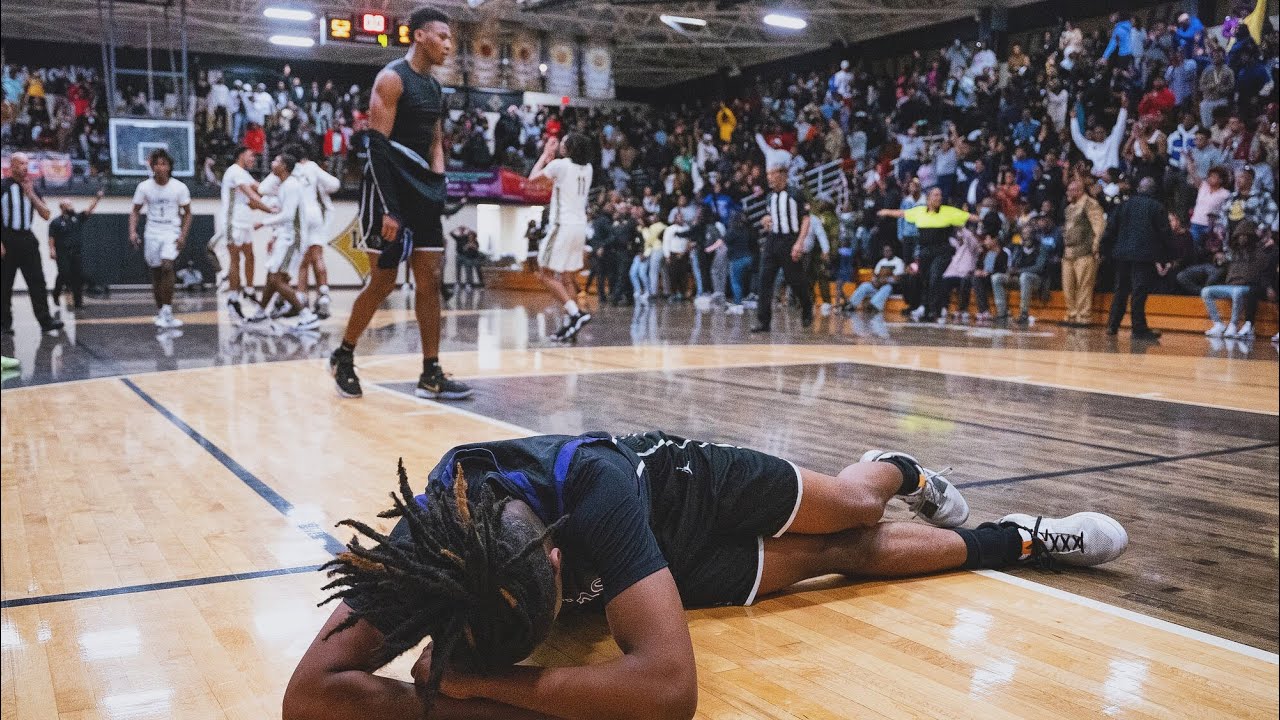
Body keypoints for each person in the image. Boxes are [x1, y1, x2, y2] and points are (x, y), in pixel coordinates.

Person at [283, 431, 1128, 720]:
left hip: (681, 485)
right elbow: (308, 697)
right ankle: (1019, 539)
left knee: (852, 512)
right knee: (840, 563)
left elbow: (666, 692)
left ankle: (892, 466)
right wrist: (473, 689)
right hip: (649, 569)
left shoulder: (593, 487)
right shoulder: (422, 547)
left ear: (553, 554)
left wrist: (482, 684)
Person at [328, 8, 472, 401]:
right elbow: (376, 147)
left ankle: (431, 372)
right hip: (387, 192)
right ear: (420, 36)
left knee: (429, 279)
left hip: (423, 194)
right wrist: (391, 208)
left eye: (450, 38)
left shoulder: (435, 88)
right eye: (442, 36)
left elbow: (435, 141)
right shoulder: (392, 79)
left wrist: (438, 184)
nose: (448, 44)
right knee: (384, 281)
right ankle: (344, 355)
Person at [876, 188, 979, 323]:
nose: (939, 197)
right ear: (929, 198)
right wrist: (886, 212)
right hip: (925, 251)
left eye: (940, 195)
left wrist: (982, 217)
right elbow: (901, 213)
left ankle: (934, 309)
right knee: (925, 279)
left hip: (942, 251)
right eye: (936, 195)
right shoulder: (919, 211)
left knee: (935, 276)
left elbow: (969, 217)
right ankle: (925, 307)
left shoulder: (948, 211)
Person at [530, 133, 594, 341]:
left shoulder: (561, 165)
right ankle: (570, 327)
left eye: (564, 142)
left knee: (544, 272)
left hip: (562, 225)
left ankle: (575, 314)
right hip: (579, 226)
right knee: (567, 277)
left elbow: (533, 180)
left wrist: (544, 155)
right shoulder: (588, 168)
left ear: (569, 148)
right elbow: (556, 184)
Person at [251, 153, 319, 331]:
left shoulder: (291, 186)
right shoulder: (284, 186)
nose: (272, 163)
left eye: (276, 161)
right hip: (285, 236)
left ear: (284, 166)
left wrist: (263, 223)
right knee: (272, 276)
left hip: (292, 238)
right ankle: (260, 312)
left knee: (276, 278)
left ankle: (306, 315)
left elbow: (288, 215)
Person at [1101, 177, 1174, 340]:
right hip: (1144, 255)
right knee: (1139, 292)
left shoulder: (1123, 205)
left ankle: (1112, 325)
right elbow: (1165, 233)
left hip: (1122, 254)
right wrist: (1168, 256)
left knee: (1120, 290)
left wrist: (1105, 250)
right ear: (1154, 191)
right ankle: (1138, 328)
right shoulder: (1157, 207)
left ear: (1139, 189)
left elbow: (1110, 229)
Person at [128, 149, 193, 329]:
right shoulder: (144, 187)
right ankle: (160, 311)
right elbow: (135, 211)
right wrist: (132, 232)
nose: (160, 167)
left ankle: (168, 310)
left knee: (167, 265)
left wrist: (182, 235)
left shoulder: (179, 187)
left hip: (170, 231)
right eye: (157, 163)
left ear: (169, 166)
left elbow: (188, 214)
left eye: (163, 163)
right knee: (156, 272)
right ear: (152, 166)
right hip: (152, 231)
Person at [1, 152, 63, 335]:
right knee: (4, 284)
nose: (25, 167)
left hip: (27, 239)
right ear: (11, 166)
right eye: (20, 163)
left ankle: (45, 320)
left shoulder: (32, 187)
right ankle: (4, 324)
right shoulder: (3, 186)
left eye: (27, 163)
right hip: (7, 238)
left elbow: (46, 214)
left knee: (37, 281)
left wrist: (30, 193)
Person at [752, 160, 813, 333]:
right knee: (764, 280)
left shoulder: (796, 194)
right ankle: (763, 322)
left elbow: (806, 219)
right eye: (768, 174)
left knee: (795, 280)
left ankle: (807, 307)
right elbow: (770, 216)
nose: (769, 178)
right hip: (772, 241)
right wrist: (766, 220)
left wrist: (799, 243)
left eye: (773, 174)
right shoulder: (770, 197)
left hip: (790, 240)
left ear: (783, 175)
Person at [218, 145, 273, 320]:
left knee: (250, 255)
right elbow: (253, 196)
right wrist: (274, 211)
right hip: (231, 221)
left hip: (244, 220)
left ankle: (249, 290)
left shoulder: (244, 173)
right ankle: (233, 299)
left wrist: (282, 192)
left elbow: (262, 189)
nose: (253, 159)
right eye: (251, 155)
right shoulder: (234, 172)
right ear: (241, 155)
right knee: (235, 259)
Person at [289, 146, 342, 319]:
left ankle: (302, 297)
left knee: (303, 260)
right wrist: (320, 185)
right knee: (317, 255)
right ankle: (324, 294)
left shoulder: (289, 169)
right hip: (316, 215)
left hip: (300, 216)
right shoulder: (312, 167)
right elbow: (335, 184)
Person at [1201, 220, 1268, 339]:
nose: (1242, 238)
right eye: (1239, 236)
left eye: (1244, 235)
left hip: (1246, 285)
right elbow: (1222, 263)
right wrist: (1219, 260)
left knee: (1237, 292)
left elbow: (1260, 271)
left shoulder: (1259, 252)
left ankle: (1233, 324)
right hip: (1231, 284)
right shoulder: (1233, 252)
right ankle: (1218, 323)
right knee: (1206, 291)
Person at [1059, 180, 1106, 327]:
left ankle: (1084, 316)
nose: (1067, 193)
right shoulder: (1069, 208)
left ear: (1079, 191)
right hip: (1068, 252)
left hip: (1085, 251)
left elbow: (1099, 225)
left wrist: (1096, 244)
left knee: (1084, 286)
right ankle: (1072, 314)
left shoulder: (1090, 204)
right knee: (1067, 286)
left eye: (1070, 190)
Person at [49, 189, 104, 309]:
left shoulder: (77, 218)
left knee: (77, 277)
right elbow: (51, 237)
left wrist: (97, 198)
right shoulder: (56, 222)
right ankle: (56, 294)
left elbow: (89, 210)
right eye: (68, 204)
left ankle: (78, 303)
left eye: (71, 204)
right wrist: (52, 250)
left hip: (76, 253)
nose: (71, 206)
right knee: (63, 274)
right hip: (62, 253)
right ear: (62, 207)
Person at [844, 244, 904, 313]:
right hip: (878, 285)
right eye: (885, 251)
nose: (886, 253)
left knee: (887, 287)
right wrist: (875, 281)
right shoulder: (881, 261)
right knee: (865, 285)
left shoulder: (898, 261)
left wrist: (884, 281)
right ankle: (851, 304)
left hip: (890, 286)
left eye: (888, 251)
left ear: (892, 251)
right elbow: (875, 275)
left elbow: (897, 278)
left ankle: (873, 306)